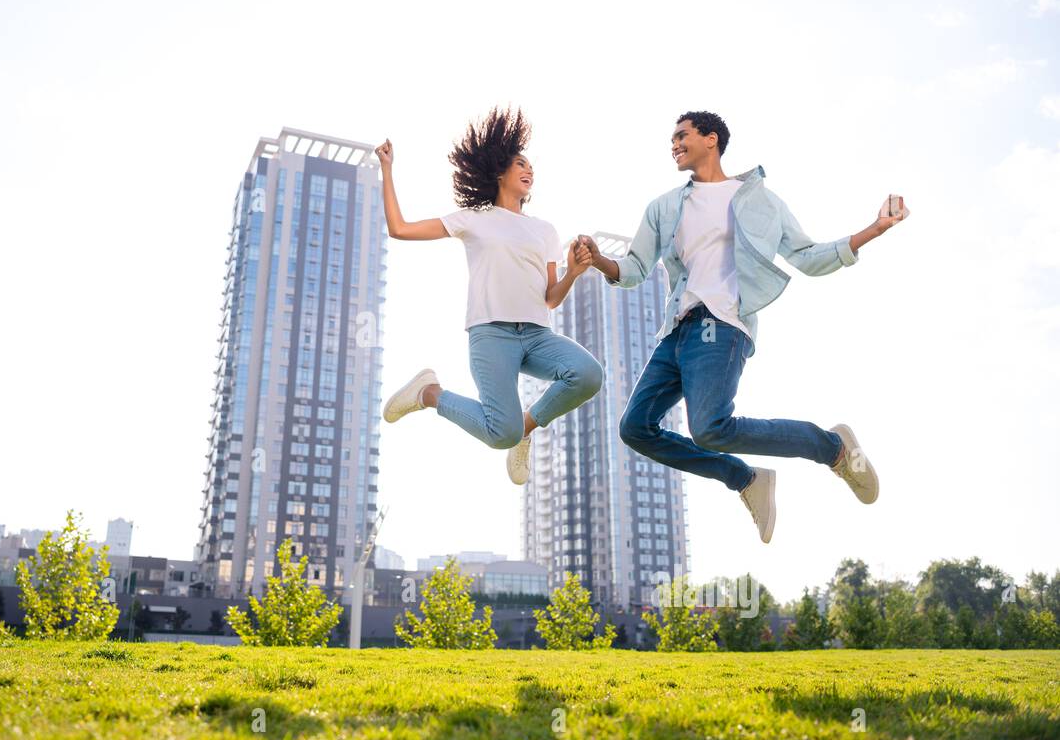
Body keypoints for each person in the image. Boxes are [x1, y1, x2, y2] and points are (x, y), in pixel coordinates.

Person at [575, 110, 908, 543]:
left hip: (721, 324)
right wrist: (599, 259)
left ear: (711, 139)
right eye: (672, 139)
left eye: (682, 135)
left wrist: (875, 229)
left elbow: (808, 256)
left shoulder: (761, 201)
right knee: (635, 428)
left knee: (711, 427)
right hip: (676, 331)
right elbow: (636, 267)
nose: (673, 144)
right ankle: (746, 479)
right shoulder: (665, 206)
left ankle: (832, 448)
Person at [377, 107, 604, 485]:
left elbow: (550, 298)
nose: (528, 169)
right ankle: (429, 392)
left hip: (536, 335)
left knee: (588, 374)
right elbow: (399, 229)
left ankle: (527, 426)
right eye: (519, 163)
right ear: (499, 171)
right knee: (502, 434)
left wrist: (574, 273)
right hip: (492, 335)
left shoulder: (545, 230)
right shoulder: (473, 219)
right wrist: (387, 169)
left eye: (530, 164)